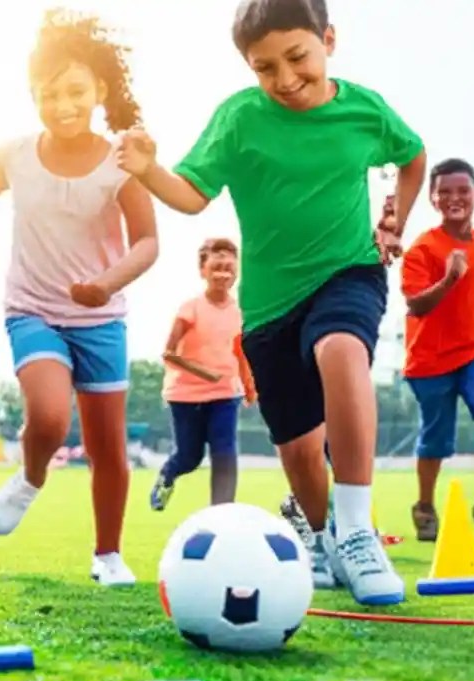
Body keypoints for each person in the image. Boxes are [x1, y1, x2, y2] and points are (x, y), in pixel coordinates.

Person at [116, 0, 427, 604]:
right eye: (264, 68)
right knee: (301, 452)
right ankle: (320, 534)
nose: (284, 79)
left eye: (297, 58)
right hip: (268, 308)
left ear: (328, 40)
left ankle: (358, 532)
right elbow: (190, 195)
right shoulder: (239, 118)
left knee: (342, 350)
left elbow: (412, 157)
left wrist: (395, 220)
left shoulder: (365, 111)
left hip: (348, 273)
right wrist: (149, 170)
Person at [0, 9, 159, 587]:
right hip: (33, 309)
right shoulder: (13, 154)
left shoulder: (121, 163)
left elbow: (147, 242)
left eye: (74, 92)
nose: (62, 104)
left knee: (107, 447)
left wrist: (106, 284)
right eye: (48, 94)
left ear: (99, 91)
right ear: (32, 95)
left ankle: (108, 554)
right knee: (47, 414)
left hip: (101, 319)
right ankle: (32, 476)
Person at [400, 158, 474, 542]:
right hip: (430, 359)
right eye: (445, 192)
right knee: (437, 438)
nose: (455, 198)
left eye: (463, 190)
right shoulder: (423, 249)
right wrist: (449, 279)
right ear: (433, 200)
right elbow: (416, 304)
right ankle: (424, 506)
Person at [152, 238, 257, 512]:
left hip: (225, 395)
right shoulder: (191, 309)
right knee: (189, 456)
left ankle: (222, 513)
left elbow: (241, 353)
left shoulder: (241, 312)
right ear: (203, 271)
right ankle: (167, 476)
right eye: (216, 267)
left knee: (225, 451)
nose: (223, 273)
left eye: (229, 268)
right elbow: (168, 353)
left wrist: (249, 385)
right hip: (185, 395)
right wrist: (202, 372)